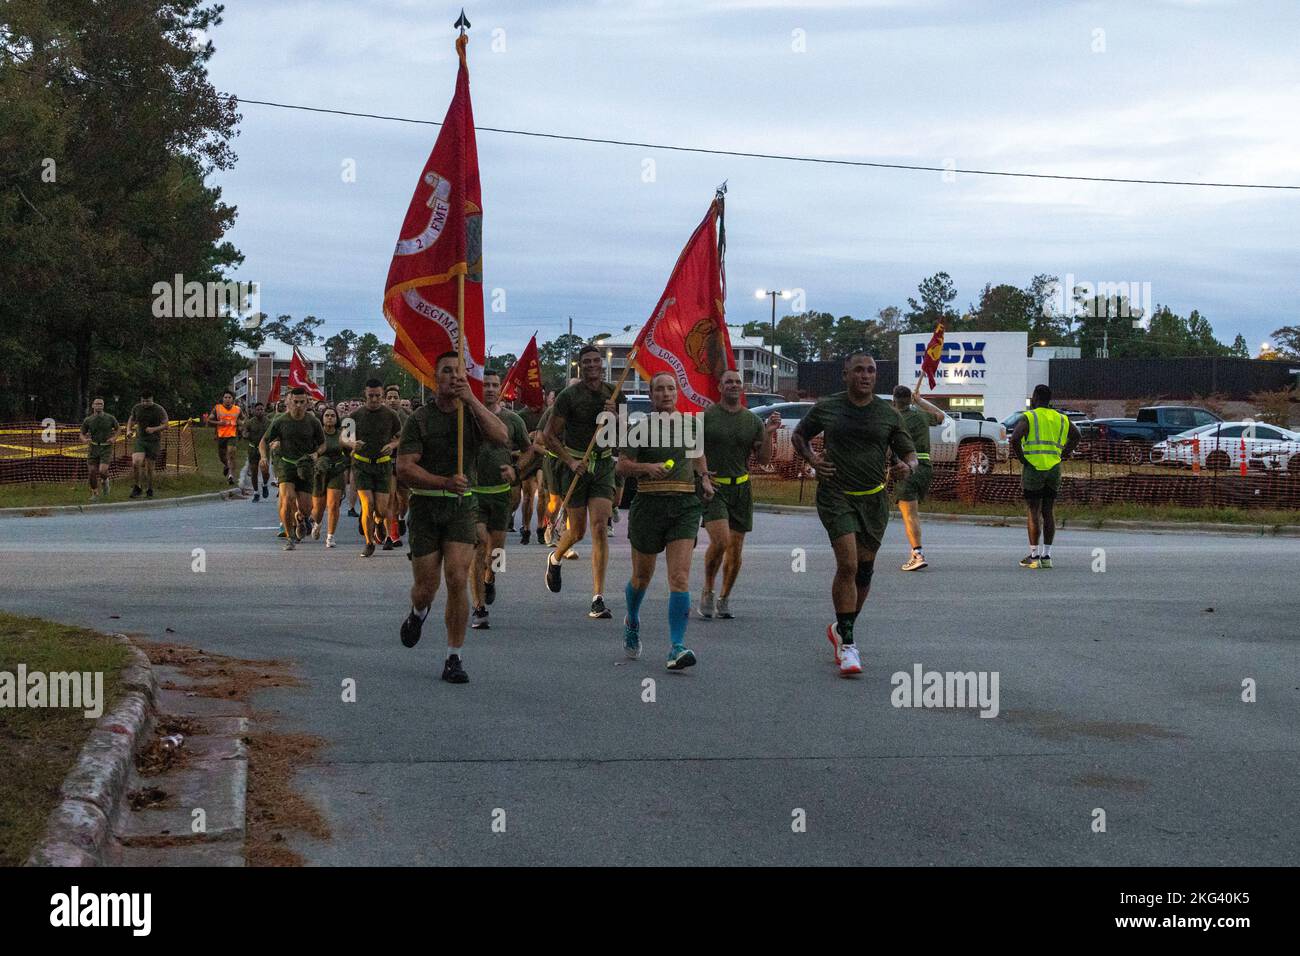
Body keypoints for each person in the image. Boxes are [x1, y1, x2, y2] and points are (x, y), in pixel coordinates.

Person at [792, 353, 918, 677]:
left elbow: (909, 453)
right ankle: (848, 645)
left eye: (871, 370)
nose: (865, 375)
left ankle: (841, 626)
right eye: (859, 370)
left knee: (864, 571)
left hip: (874, 500)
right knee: (847, 564)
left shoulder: (887, 413)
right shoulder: (828, 406)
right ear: (845, 374)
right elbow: (799, 436)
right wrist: (813, 460)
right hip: (836, 495)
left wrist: (907, 466)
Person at [396, 352, 509, 684]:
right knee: (425, 587)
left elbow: (502, 436)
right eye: (446, 371)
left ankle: (453, 657)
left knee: (458, 578)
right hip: (426, 507)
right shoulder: (419, 419)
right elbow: (404, 469)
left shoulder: (471, 414)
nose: (453, 377)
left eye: (459, 372)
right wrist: (442, 481)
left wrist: (471, 399)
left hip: (462, 507)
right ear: (435, 378)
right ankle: (419, 612)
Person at [617, 372, 715, 669]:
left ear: (677, 392)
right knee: (641, 577)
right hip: (648, 504)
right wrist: (647, 467)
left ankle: (677, 647)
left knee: (680, 577)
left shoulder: (691, 425)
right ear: (651, 395)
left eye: (671, 388)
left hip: (685, 504)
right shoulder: (638, 428)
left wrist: (705, 479)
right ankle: (632, 618)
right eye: (659, 389)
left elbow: (698, 456)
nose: (666, 393)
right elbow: (622, 467)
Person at [543, 350, 625, 618]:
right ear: (580, 366)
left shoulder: (614, 393)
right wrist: (569, 461)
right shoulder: (569, 397)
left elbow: (625, 433)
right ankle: (555, 559)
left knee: (599, 527)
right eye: (586, 361)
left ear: (602, 364)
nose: (591, 365)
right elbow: (549, 436)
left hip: (602, 465)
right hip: (576, 465)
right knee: (577, 531)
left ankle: (598, 597)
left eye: (595, 361)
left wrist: (614, 417)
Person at [699, 369, 781, 618]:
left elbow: (764, 458)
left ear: (742, 388)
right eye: (728, 382)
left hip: (742, 488)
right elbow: (694, 450)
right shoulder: (707, 417)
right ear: (720, 387)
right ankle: (708, 589)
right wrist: (702, 475)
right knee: (721, 540)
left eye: (737, 382)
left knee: (735, 548)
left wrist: (768, 433)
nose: (734, 385)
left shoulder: (752, 420)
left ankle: (725, 597)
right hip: (715, 488)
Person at [468, 370, 533, 629]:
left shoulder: (513, 419)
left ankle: (490, 579)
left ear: (501, 389)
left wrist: (516, 470)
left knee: (497, 550)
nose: (491, 389)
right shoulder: (469, 417)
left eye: (495, 385)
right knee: (480, 545)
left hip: (500, 495)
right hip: (474, 493)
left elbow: (529, 451)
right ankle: (479, 607)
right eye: (486, 385)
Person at [1010, 384, 1080, 569]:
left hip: (1034, 469)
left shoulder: (1030, 417)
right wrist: (1064, 453)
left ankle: (1033, 556)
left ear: (1034, 398)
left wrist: (1022, 459)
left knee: (1033, 511)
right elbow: (1077, 435)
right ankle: (1047, 556)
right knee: (1048, 511)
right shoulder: (1061, 418)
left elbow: (1014, 438)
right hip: (1054, 469)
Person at [259, 387, 325, 551]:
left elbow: (323, 443)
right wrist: (264, 457)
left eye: (302, 402)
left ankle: (301, 518)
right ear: (289, 402)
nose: (298, 405)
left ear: (307, 402)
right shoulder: (281, 420)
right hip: (286, 464)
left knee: (306, 507)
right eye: (295, 402)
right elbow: (264, 441)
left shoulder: (313, 421)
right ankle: (289, 537)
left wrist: (317, 453)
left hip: (305, 465)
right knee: (287, 499)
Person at [343, 380, 404, 557]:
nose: (375, 399)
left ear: (382, 395)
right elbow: (342, 439)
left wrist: (392, 446)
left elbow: (400, 437)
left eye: (378, 396)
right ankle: (369, 542)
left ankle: (379, 523)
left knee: (382, 509)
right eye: (371, 396)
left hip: (383, 465)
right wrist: (352, 443)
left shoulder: (391, 415)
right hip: (362, 465)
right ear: (365, 394)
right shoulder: (354, 415)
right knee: (367, 504)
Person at [891, 384, 945, 571]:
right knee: (912, 513)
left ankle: (917, 553)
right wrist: (921, 401)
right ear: (910, 400)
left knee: (909, 515)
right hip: (926, 467)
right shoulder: (921, 415)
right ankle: (914, 549)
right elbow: (940, 416)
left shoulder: (894, 419)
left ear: (894, 400)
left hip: (907, 468)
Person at [312, 406, 350, 548]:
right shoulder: (317, 434)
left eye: (332, 415)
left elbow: (348, 449)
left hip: (336, 471)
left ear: (336, 418)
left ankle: (330, 536)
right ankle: (317, 523)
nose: (329, 418)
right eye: (327, 415)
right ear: (322, 418)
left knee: (333, 505)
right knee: (317, 510)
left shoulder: (341, 433)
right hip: (320, 472)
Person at [126, 390, 169, 499]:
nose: (145, 403)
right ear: (141, 400)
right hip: (140, 439)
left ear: (152, 400)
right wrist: (128, 430)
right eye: (143, 401)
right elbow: (131, 419)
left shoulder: (159, 409)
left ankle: (150, 488)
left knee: (149, 468)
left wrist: (154, 429)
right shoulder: (137, 408)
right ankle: (137, 487)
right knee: (136, 462)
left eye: (148, 401)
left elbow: (166, 425)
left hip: (154, 441)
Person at [385, 385, 412, 548]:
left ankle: (401, 518)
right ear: (385, 399)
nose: (393, 400)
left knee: (404, 499)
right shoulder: (381, 415)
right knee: (391, 498)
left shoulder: (407, 417)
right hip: (386, 461)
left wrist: (396, 443)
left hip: (403, 459)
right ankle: (392, 535)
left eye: (395, 397)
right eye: (390, 397)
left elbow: (410, 437)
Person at [514, 399, 544, 544]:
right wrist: (529, 438)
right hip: (528, 460)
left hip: (544, 459)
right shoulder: (520, 416)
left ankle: (541, 528)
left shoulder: (547, 413)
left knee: (543, 493)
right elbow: (516, 439)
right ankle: (526, 528)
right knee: (528, 497)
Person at [80, 398, 119, 501]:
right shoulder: (88, 420)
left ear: (103, 406)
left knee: (102, 470)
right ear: (93, 406)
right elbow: (82, 433)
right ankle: (95, 493)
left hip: (106, 447)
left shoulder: (110, 418)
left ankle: (105, 481)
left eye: (101, 404)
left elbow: (118, 429)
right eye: (97, 404)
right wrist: (84, 439)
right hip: (93, 447)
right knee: (92, 471)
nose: (99, 406)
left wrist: (114, 438)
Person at [209, 390, 242, 485]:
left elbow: (243, 419)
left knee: (231, 454)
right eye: (225, 397)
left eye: (229, 398)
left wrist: (241, 424)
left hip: (232, 435)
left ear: (232, 399)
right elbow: (209, 420)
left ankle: (231, 476)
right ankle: (227, 466)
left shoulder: (237, 409)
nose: (227, 399)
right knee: (222, 457)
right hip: (221, 436)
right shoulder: (217, 408)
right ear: (222, 399)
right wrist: (218, 423)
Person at [241, 402, 271, 501]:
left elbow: (273, 434)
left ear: (264, 410)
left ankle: (265, 484)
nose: (260, 411)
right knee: (254, 471)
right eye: (257, 410)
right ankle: (256, 493)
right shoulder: (250, 422)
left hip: (264, 450)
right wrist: (245, 435)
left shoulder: (268, 422)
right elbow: (244, 431)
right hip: (253, 448)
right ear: (254, 411)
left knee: (265, 471)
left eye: (261, 409)